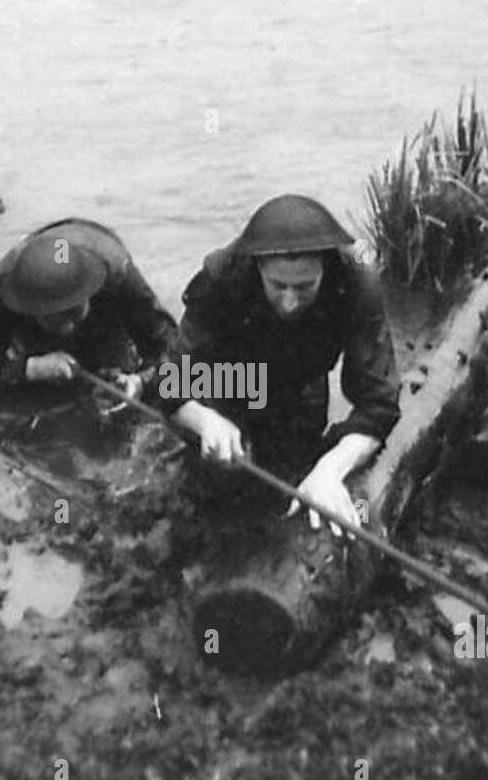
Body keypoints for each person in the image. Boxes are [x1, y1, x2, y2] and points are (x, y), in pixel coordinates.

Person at [159, 194, 400, 535]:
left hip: (302, 382)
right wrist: (206, 421)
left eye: (304, 287)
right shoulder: (221, 274)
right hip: (232, 381)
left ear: (325, 269)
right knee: (216, 483)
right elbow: (170, 384)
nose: (289, 302)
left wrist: (330, 470)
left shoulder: (357, 280)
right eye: (278, 286)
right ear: (257, 266)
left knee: (295, 473)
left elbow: (379, 404)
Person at [0, 219, 177, 400]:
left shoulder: (118, 273)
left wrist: (141, 381)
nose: (67, 328)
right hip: (32, 331)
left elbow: (174, 351)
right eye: (54, 319)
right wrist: (31, 369)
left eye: (74, 313)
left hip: (103, 311)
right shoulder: (3, 284)